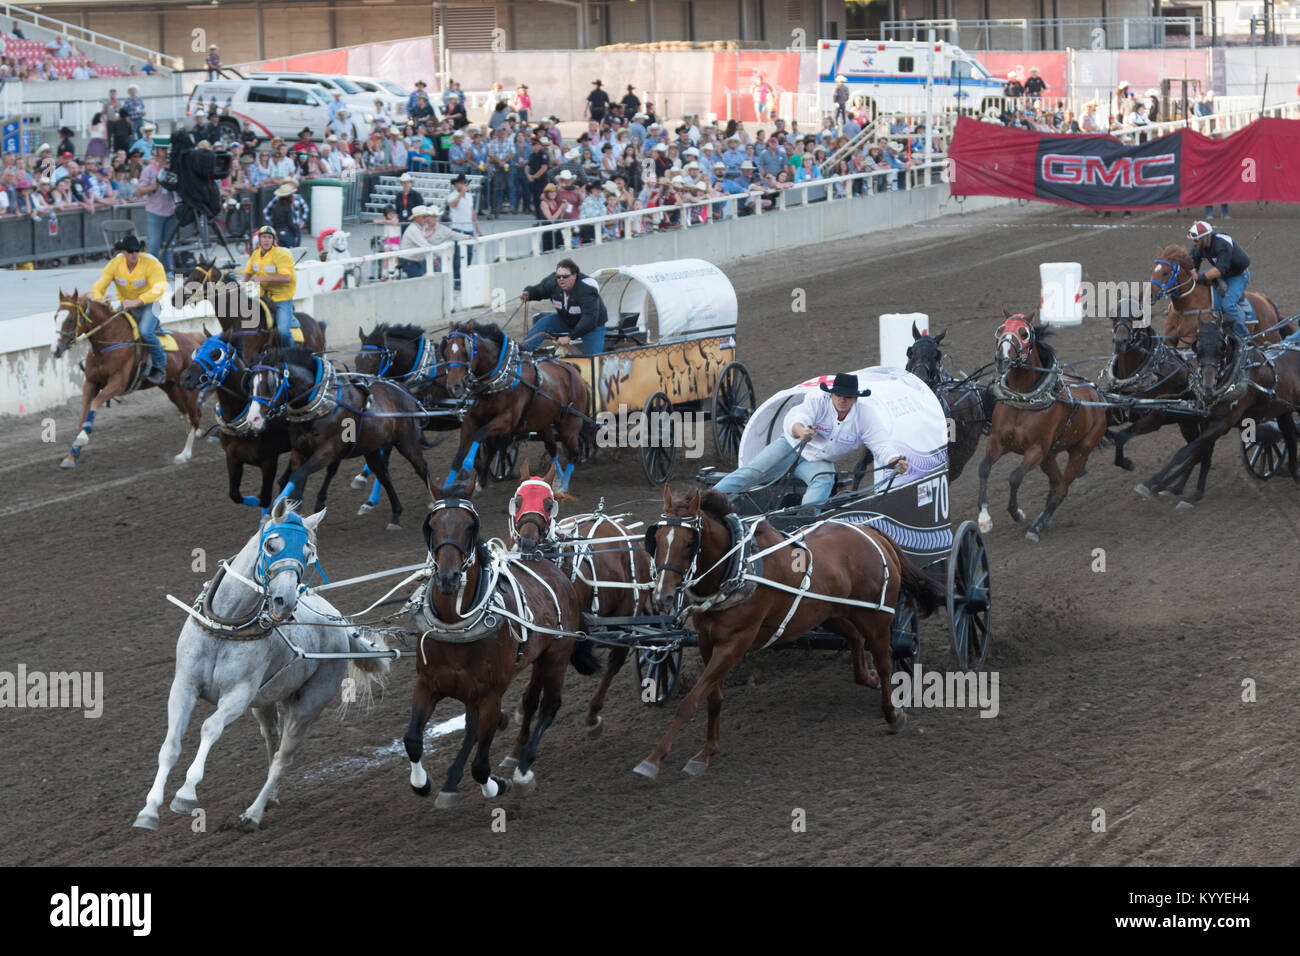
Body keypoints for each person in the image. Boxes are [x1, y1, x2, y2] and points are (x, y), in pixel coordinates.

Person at [711, 373, 907, 506]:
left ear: (856, 398)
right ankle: (705, 501)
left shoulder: (866, 416)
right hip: (791, 447)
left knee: (824, 479)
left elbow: (880, 444)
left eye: (847, 396)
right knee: (751, 473)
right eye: (838, 395)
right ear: (831, 394)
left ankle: (805, 520)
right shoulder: (817, 400)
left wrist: (893, 460)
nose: (842, 400)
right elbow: (797, 419)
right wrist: (801, 431)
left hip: (819, 461)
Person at [90, 235, 169, 385]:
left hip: (150, 305)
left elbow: (159, 288)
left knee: (145, 331)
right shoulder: (114, 264)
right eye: (131, 251)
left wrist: (137, 301)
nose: (134, 254)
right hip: (127, 304)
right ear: (124, 252)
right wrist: (98, 298)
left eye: (137, 251)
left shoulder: (152, 264)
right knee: (107, 329)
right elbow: (99, 285)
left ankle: (160, 367)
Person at [521, 258, 607, 355]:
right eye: (558, 276)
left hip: (592, 325)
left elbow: (589, 318)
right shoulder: (552, 283)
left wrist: (570, 337)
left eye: (565, 276)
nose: (561, 279)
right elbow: (539, 290)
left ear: (574, 276)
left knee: (594, 358)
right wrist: (528, 293)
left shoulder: (587, 288)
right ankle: (523, 352)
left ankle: (594, 363)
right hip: (566, 320)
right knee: (544, 323)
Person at [1188, 219, 1251, 346]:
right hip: (1222, 274)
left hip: (1238, 276)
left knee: (1228, 305)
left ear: (1206, 237)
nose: (1195, 243)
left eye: (1197, 240)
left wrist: (1199, 277)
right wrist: (1192, 270)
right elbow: (1191, 262)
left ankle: (1246, 339)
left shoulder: (1221, 244)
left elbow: (1219, 270)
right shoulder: (1199, 246)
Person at [243, 226, 297, 349]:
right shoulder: (255, 255)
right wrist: (242, 285)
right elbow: (248, 272)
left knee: (283, 331)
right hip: (263, 298)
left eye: (269, 237)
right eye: (263, 237)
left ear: (273, 240)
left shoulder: (281, 254)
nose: (266, 240)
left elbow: (286, 278)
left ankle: (290, 354)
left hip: (282, 299)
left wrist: (262, 279)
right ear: (259, 240)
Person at [135, 140, 176, 273]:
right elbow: (139, 191)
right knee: (154, 244)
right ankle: (150, 272)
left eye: (167, 149)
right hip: (155, 211)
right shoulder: (149, 170)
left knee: (169, 244)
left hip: (171, 210)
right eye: (163, 149)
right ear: (157, 151)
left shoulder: (173, 168)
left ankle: (168, 270)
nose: (166, 152)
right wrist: (153, 186)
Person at [446, 173, 480, 285]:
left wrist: (477, 228)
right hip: (458, 228)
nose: (463, 184)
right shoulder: (452, 195)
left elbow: (472, 212)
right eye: (461, 182)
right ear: (456, 184)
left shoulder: (469, 196)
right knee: (458, 256)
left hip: (469, 227)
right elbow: (453, 205)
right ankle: (457, 281)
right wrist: (461, 193)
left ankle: (466, 278)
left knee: (469, 254)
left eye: (464, 182)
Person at [262, 181, 308, 247]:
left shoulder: (276, 206)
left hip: (278, 231)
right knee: (293, 251)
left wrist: (273, 225)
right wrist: (295, 234)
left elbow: (271, 217)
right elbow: (290, 222)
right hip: (289, 230)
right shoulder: (287, 208)